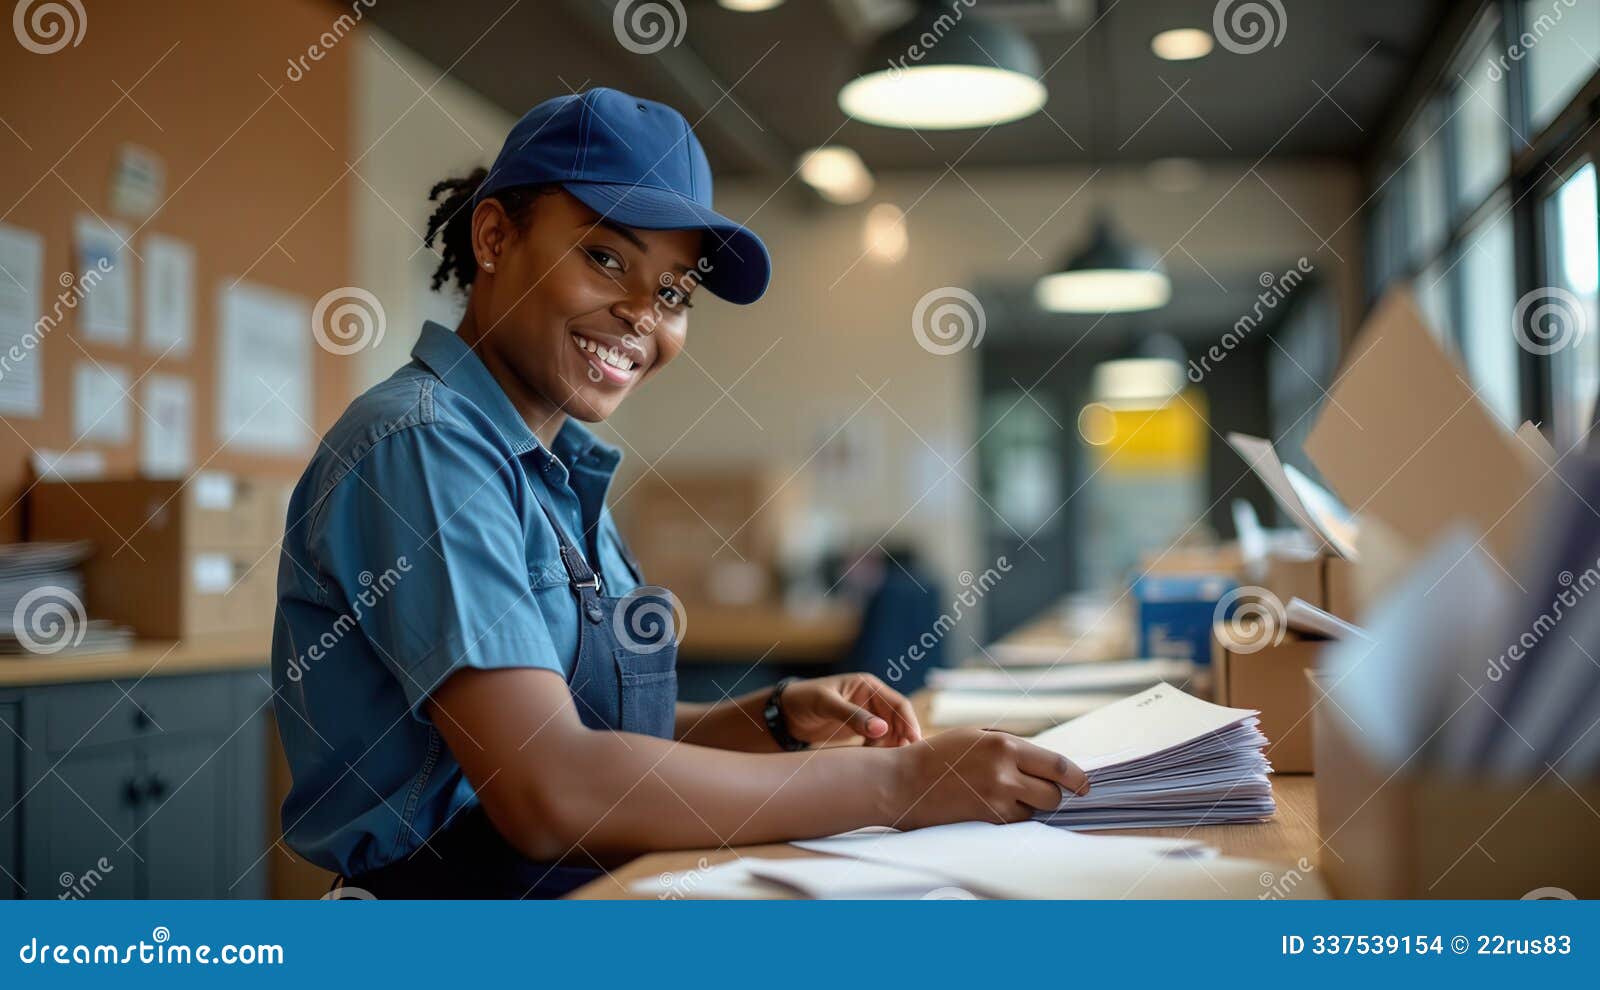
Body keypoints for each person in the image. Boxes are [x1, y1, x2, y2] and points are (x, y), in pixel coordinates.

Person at [271, 87, 1088, 899]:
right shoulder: (421, 446)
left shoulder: (563, 475)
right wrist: (901, 787)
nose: (640, 314)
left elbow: (609, 741)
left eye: (672, 294)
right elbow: (554, 789)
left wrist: (772, 718)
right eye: (605, 257)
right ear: (494, 236)